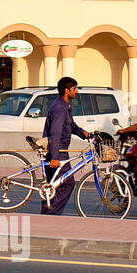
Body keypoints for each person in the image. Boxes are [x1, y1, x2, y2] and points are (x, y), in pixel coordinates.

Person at [40, 76, 91, 215]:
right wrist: (55, 157)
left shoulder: (65, 106)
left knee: (53, 186)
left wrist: (84, 133)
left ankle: (47, 215)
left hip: (60, 150)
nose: (77, 91)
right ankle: (51, 215)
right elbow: (55, 134)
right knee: (66, 183)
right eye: (75, 89)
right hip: (57, 151)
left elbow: (71, 126)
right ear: (67, 90)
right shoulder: (59, 108)